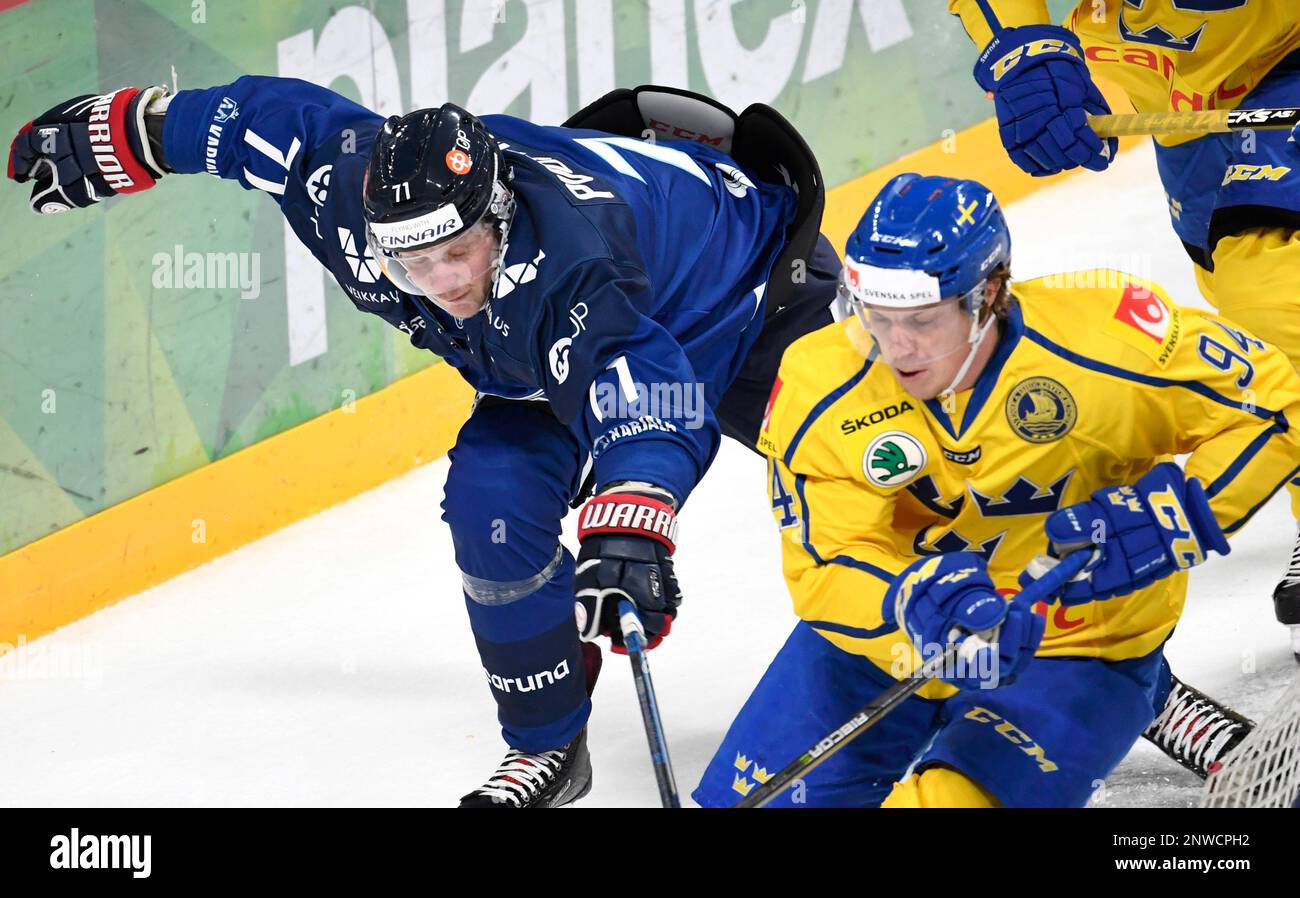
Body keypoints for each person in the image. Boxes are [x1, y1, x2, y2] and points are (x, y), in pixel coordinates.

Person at [7, 79, 840, 807]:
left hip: (751, 288)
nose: (443, 285)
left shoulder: (566, 265)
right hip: (553, 353)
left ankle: (940, 631)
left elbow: (647, 388)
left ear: (499, 212)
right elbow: (254, 119)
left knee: (856, 468)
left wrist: (638, 511)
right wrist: (136, 130)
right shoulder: (344, 192)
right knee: (492, 503)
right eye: (412, 263)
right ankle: (548, 739)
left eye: (458, 252)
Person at [694, 173, 1300, 807]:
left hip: (1075, 646)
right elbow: (826, 561)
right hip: (891, 640)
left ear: (987, 295)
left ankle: (1145, 698)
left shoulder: (1107, 338)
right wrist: (906, 601)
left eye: (922, 320)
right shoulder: (820, 380)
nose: (895, 346)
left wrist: (1176, 515)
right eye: (874, 316)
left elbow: (1270, 403)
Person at [947, 0, 1300, 655]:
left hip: (1287, 54)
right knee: (1258, 304)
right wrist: (1023, 49)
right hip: (1190, 118)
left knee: (1276, 287)